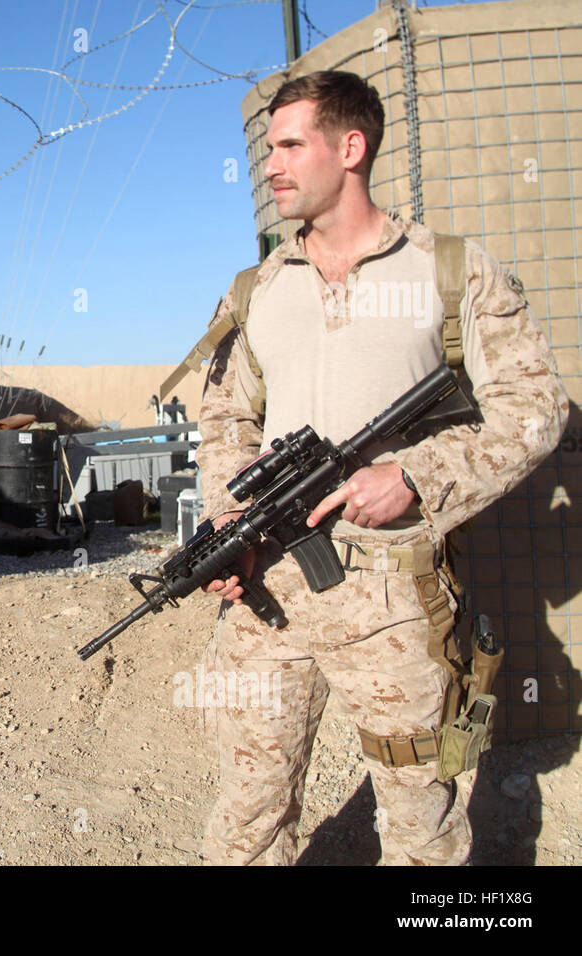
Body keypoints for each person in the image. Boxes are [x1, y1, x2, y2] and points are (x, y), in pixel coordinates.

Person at [193, 70, 568, 865]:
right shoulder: (255, 290)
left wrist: (417, 477)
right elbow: (226, 419)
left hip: (398, 599)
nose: (271, 167)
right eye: (268, 150)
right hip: (268, 594)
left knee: (420, 827)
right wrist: (227, 521)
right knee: (247, 819)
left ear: (351, 147)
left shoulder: (449, 270)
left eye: (290, 146)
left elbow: (534, 407)